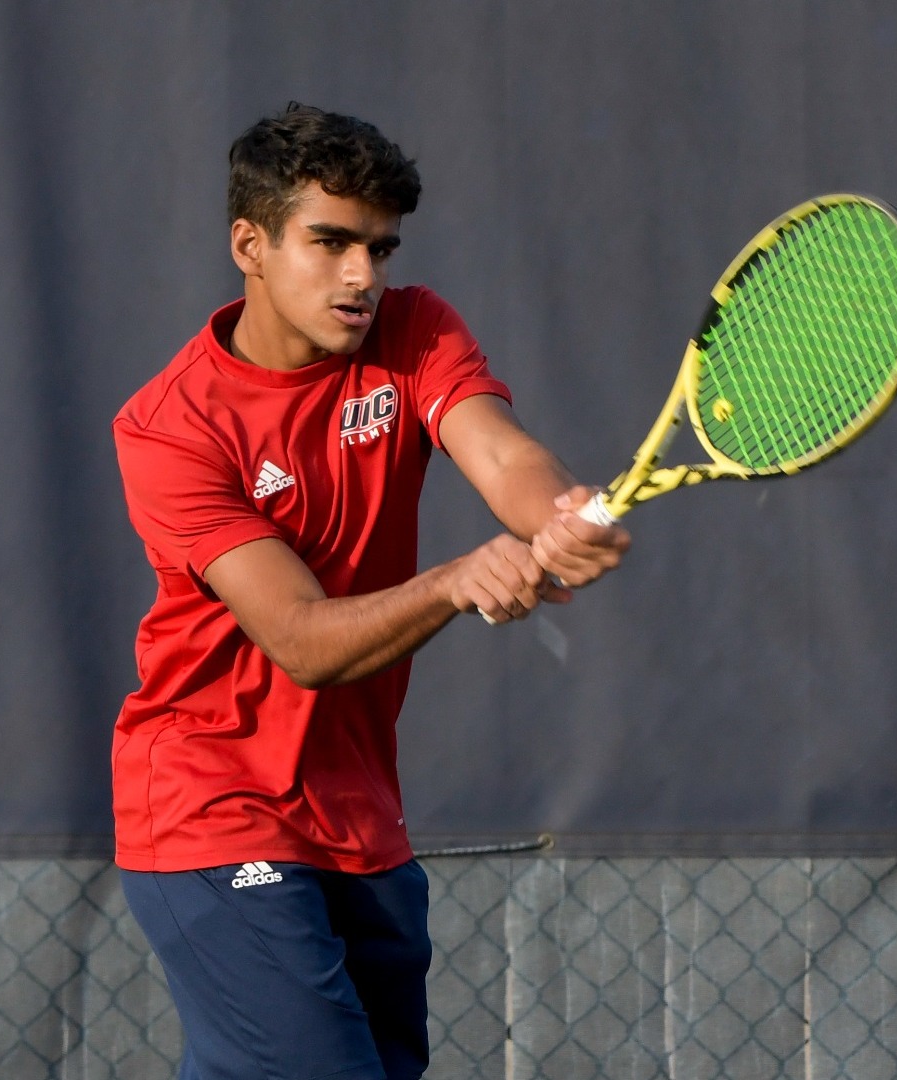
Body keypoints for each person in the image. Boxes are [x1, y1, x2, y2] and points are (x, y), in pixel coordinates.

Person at [109, 103, 629, 1080]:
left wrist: (556, 510)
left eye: (380, 250)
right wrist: (455, 581)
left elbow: (501, 453)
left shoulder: (416, 329)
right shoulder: (171, 428)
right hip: (209, 809)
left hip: (357, 815)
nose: (362, 276)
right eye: (331, 242)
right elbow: (299, 638)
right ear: (249, 244)